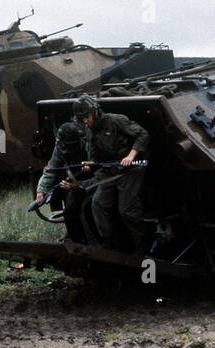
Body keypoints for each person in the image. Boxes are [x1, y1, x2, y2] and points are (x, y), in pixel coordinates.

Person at [34, 95, 148, 250]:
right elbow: (91, 154)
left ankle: (141, 245)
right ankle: (109, 245)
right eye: (81, 119)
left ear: (94, 112)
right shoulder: (84, 132)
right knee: (96, 204)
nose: (85, 122)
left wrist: (131, 156)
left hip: (129, 169)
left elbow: (142, 134)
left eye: (86, 117)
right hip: (107, 171)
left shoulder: (115, 120)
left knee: (126, 209)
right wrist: (91, 163)